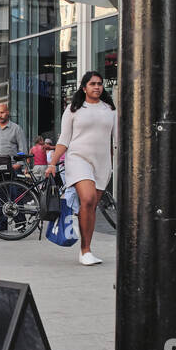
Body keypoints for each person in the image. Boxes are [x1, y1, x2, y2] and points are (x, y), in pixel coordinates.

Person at [51, 70, 117, 266]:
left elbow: (117, 139)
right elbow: (64, 139)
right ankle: (85, 251)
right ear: (84, 87)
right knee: (87, 199)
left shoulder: (110, 110)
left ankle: (83, 228)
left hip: (103, 163)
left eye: (99, 83)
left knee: (91, 206)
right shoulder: (73, 109)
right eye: (92, 84)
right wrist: (52, 162)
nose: (97, 87)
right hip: (78, 158)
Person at [0, 103, 29, 232]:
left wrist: (19, 164)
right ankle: (1, 224)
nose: (0, 115)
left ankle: (20, 223)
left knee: (15, 197)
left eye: (2, 112)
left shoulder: (16, 129)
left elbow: (22, 150)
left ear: (7, 112)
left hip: (13, 167)